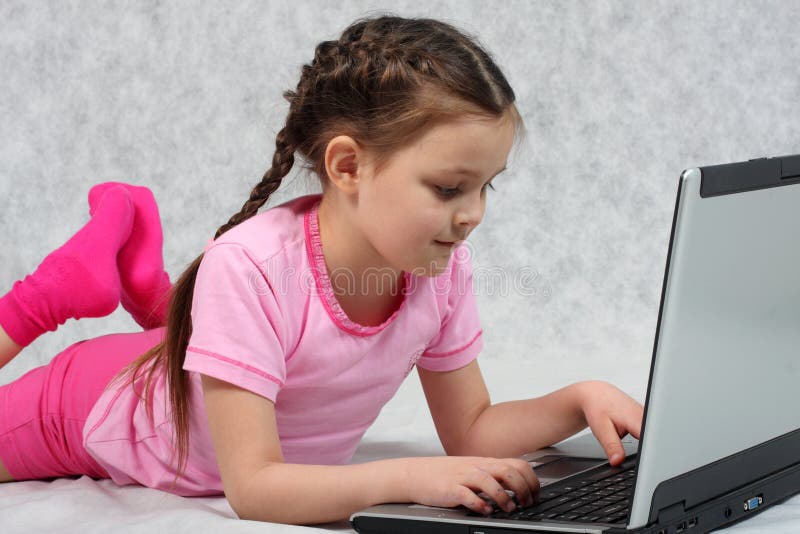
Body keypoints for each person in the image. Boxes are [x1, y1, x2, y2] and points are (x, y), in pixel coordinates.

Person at [0, 14, 643, 525]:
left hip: (194, 362)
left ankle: (145, 287)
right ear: (346, 167)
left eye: (487, 189)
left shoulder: (438, 269)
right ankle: (52, 293)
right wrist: (405, 478)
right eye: (450, 189)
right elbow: (253, 489)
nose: (473, 215)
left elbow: (472, 430)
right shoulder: (249, 267)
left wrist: (576, 401)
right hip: (86, 405)